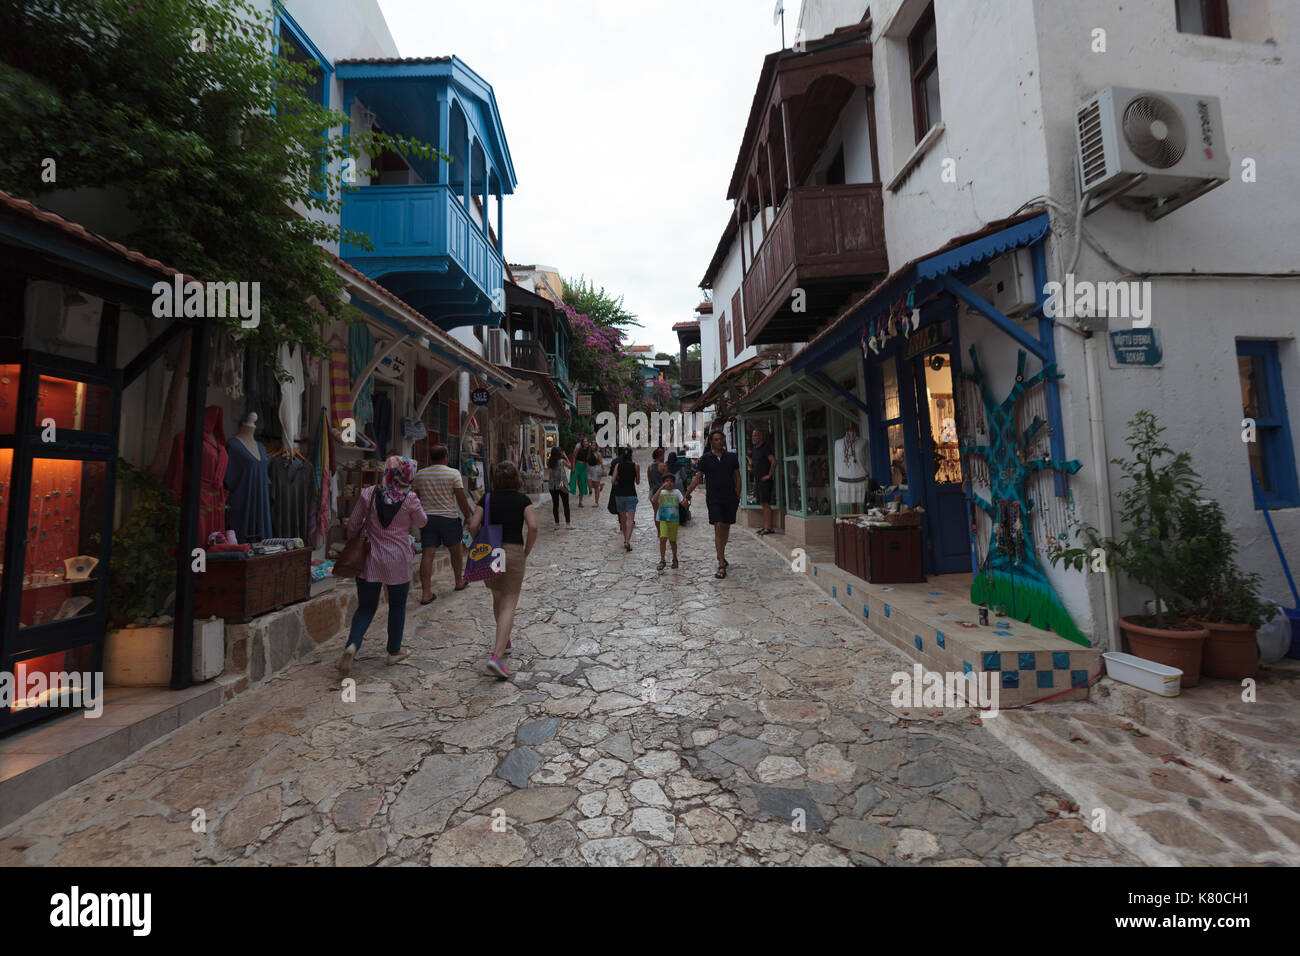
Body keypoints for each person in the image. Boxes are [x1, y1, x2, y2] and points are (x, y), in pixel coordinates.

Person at [337, 456, 427, 676]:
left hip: (370, 559)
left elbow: (354, 524)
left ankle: (353, 645)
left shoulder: (369, 494)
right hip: (398, 560)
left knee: (366, 607)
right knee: (397, 605)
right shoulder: (410, 499)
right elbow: (423, 522)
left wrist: (354, 541)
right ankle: (394, 651)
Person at [466, 461, 538, 680]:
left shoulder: (486, 498)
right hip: (514, 551)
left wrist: (478, 542)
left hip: (492, 551)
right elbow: (533, 527)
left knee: (497, 597)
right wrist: (527, 549)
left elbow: (472, 525)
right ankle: (496, 656)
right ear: (516, 478)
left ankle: (504, 641)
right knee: (509, 602)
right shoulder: (523, 500)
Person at [413, 445, 473, 604]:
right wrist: (467, 516)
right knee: (456, 551)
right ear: (446, 457)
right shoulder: (453, 473)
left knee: (427, 555)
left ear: (430, 458)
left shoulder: (420, 475)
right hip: (448, 518)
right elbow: (461, 498)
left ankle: (426, 593)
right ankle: (458, 581)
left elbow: (416, 498)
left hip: (427, 519)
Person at [684, 430, 740, 579]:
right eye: (716, 439)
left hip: (729, 498)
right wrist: (687, 493)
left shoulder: (732, 457)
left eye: (721, 439)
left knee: (726, 528)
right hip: (714, 499)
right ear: (711, 442)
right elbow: (697, 478)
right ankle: (721, 564)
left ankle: (720, 553)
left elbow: (737, 477)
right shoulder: (705, 459)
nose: (719, 442)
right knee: (719, 526)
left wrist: (737, 494)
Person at [651, 471, 683, 571]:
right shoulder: (661, 492)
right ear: (663, 483)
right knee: (663, 539)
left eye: (671, 481)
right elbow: (654, 500)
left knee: (673, 541)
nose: (669, 483)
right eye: (666, 481)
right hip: (663, 519)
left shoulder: (677, 492)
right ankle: (662, 560)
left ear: (674, 483)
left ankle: (675, 558)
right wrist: (661, 488)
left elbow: (683, 502)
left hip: (674, 520)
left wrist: (686, 502)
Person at [611, 446, 640, 552]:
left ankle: (625, 539)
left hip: (619, 494)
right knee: (630, 519)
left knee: (622, 519)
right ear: (631, 455)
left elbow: (613, 481)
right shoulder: (636, 466)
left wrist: (619, 482)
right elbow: (637, 481)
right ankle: (627, 541)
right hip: (631, 494)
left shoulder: (618, 466)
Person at [751, 428, 777, 535]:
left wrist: (769, 475)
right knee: (762, 503)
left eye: (756, 435)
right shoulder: (756, 449)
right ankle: (766, 526)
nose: (754, 437)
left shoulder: (765, 448)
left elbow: (774, 461)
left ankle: (769, 528)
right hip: (758, 480)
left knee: (765, 503)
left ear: (761, 437)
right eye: (753, 435)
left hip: (765, 481)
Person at [547, 446, 572, 528]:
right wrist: (565, 456)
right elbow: (570, 466)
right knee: (566, 504)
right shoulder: (562, 461)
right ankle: (568, 523)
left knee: (555, 504)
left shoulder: (549, 462)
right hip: (561, 485)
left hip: (552, 485)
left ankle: (557, 523)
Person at [570, 436, 590, 507]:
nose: (586, 443)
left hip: (583, 467)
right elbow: (574, 457)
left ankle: (580, 502)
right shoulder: (578, 448)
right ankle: (568, 491)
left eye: (587, 441)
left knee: (582, 484)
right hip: (577, 465)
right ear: (582, 443)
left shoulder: (588, 450)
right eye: (584, 441)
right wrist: (573, 467)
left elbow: (588, 459)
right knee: (573, 480)